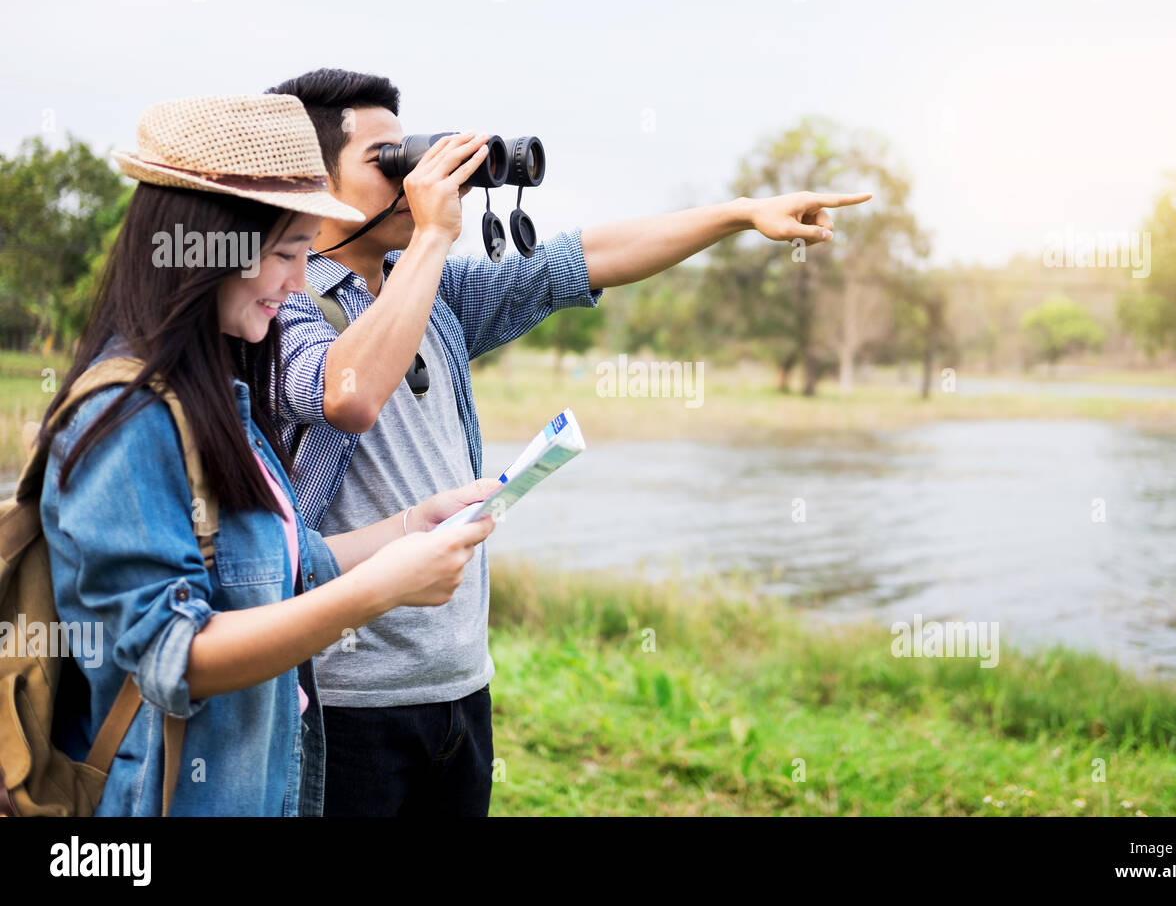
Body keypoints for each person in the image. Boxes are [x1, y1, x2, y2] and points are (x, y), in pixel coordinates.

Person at [265, 67, 872, 816]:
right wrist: (431, 233)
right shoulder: (279, 302)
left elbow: (574, 260)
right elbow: (346, 394)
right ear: (310, 182)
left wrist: (741, 215)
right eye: (386, 160)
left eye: (410, 151)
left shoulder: (433, 294)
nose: (415, 174)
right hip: (344, 696)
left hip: (459, 683)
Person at [39, 93, 496, 816]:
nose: (299, 281)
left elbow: (285, 566)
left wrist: (414, 528)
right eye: (287, 254)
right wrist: (381, 590)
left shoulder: (218, 394)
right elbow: (173, 657)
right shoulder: (124, 418)